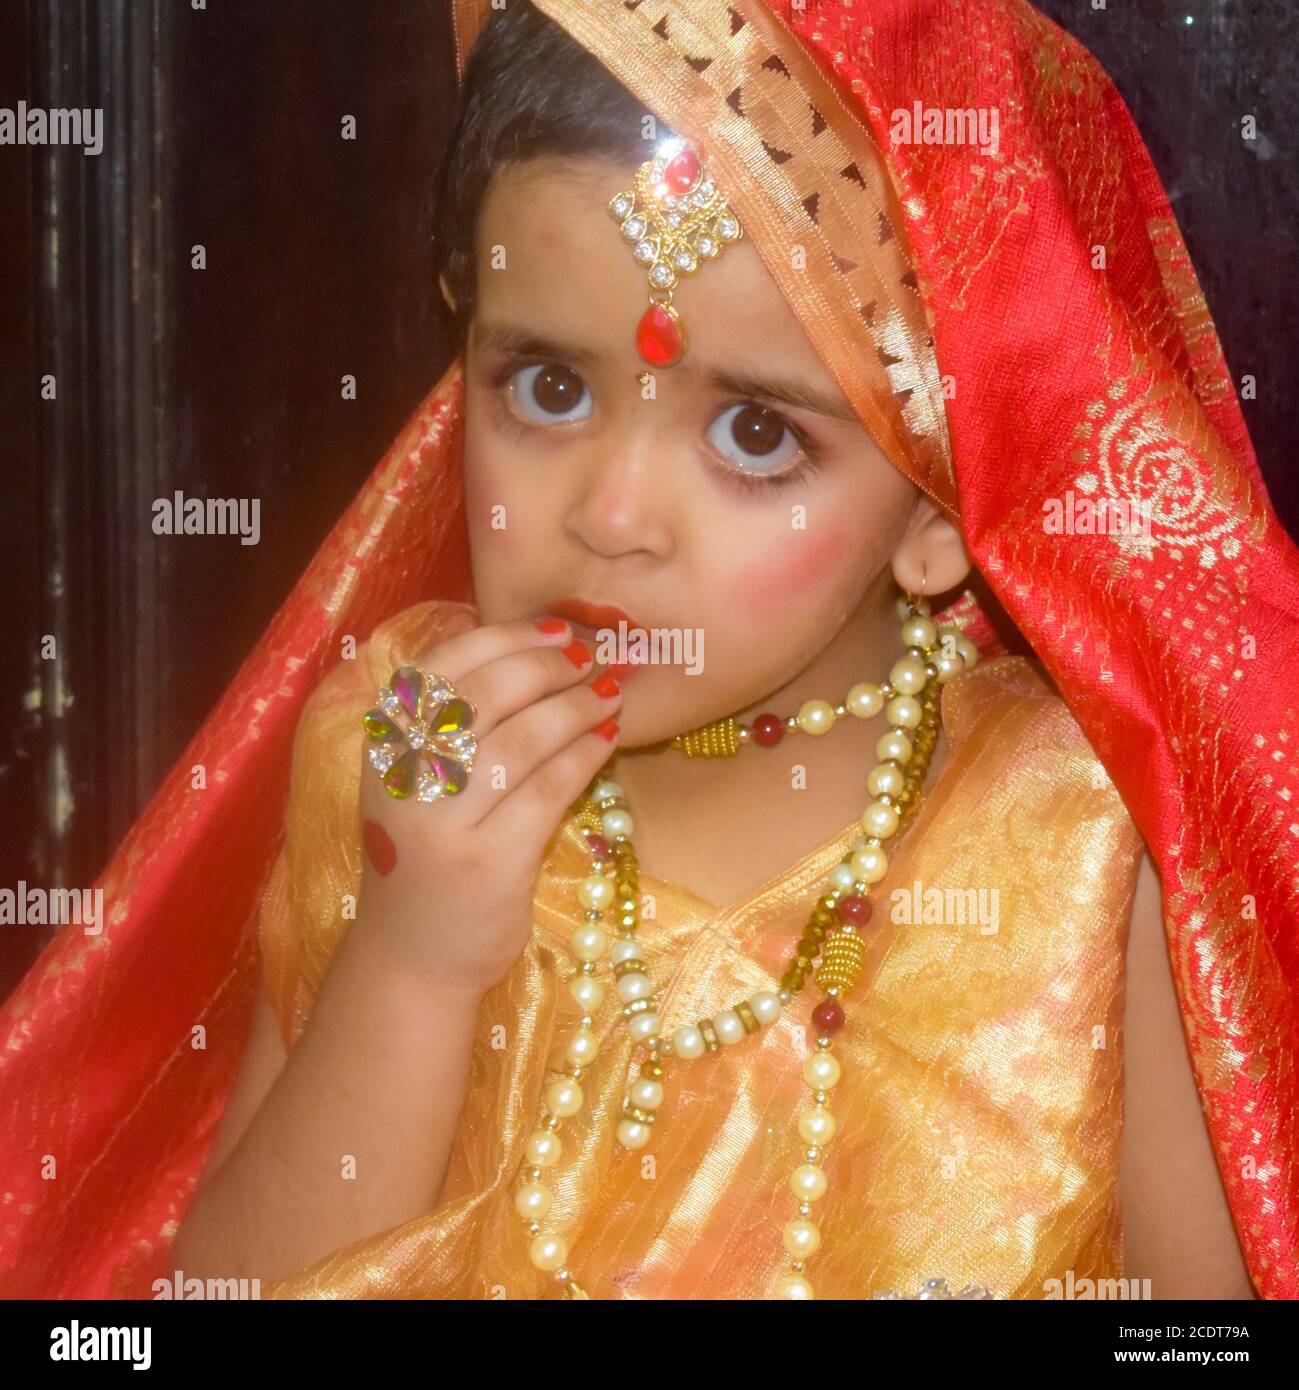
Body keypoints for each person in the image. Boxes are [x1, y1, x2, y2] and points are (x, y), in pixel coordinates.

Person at [2, 0, 1296, 1301]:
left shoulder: (1088, 842)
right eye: (549, 389)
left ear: (937, 511)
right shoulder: (408, 739)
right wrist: (413, 955)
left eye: (752, 434)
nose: (609, 518)